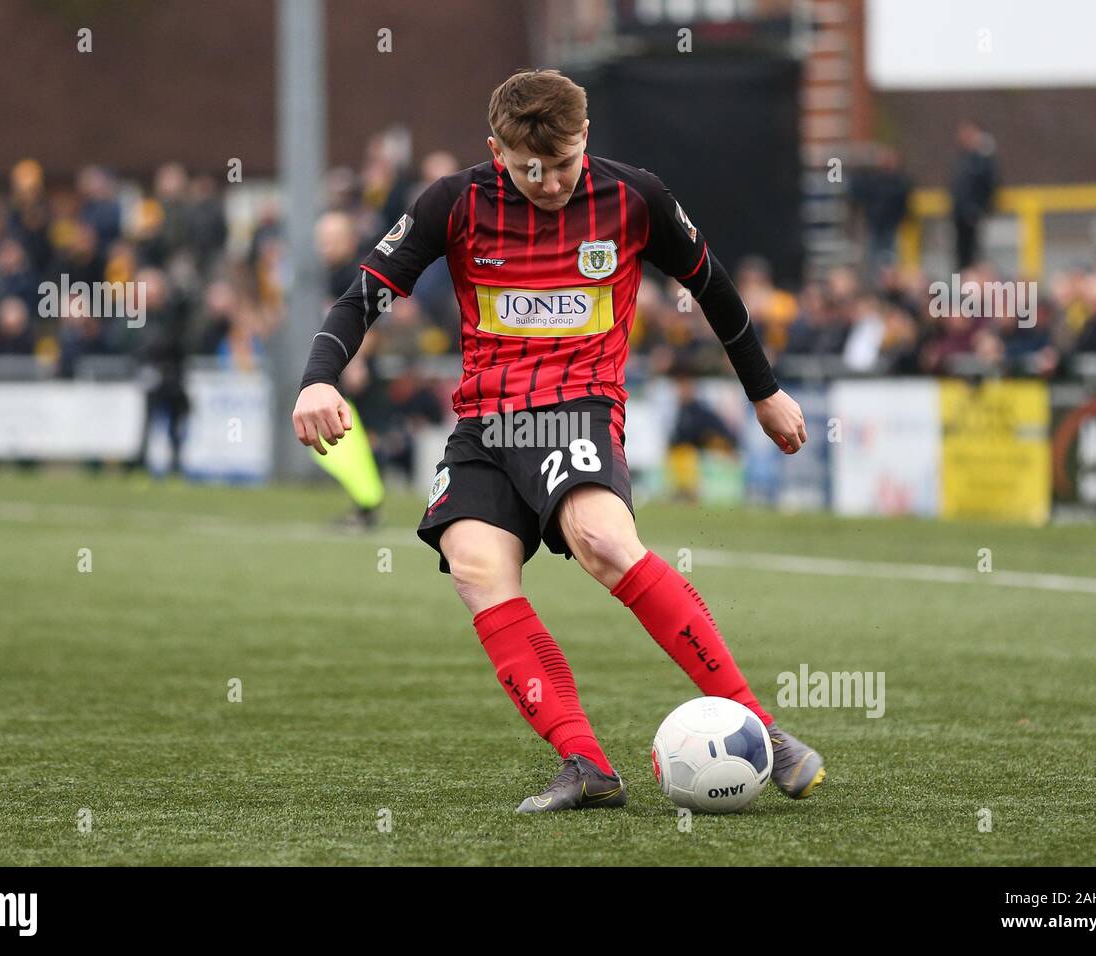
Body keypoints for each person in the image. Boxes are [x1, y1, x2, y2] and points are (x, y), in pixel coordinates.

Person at [292, 69, 824, 812]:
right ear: (495, 151)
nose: (550, 182)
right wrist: (320, 377)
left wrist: (763, 391)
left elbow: (713, 286)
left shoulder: (635, 197)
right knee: (475, 567)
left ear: (586, 141)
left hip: (578, 407)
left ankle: (762, 727)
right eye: (530, 168)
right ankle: (587, 765)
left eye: (566, 163)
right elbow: (363, 294)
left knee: (603, 541)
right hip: (486, 424)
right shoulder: (454, 202)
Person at [950, 120, 997, 269]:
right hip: (960, 214)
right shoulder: (963, 158)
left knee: (973, 254)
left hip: (973, 213)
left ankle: (975, 284)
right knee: (961, 254)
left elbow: (989, 184)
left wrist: (977, 207)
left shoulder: (981, 159)